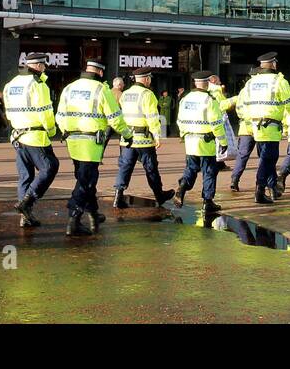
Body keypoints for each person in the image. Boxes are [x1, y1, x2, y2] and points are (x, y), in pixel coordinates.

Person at [56, 58, 132, 236]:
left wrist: (67, 132)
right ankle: (73, 219)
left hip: (73, 141)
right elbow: (114, 117)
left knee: (84, 177)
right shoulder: (101, 89)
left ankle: (93, 213)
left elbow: (59, 115)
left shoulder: (69, 88)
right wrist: (127, 134)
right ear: (100, 72)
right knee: (86, 181)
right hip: (91, 143)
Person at [234, 52, 290, 204]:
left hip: (254, 126)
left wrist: (248, 122)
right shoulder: (279, 81)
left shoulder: (251, 83)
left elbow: (241, 105)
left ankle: (272, 190)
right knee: (268, 159)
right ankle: (259, 191)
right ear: (273, 64)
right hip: (270, 128)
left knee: (267, 159)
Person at [4, 53, 61, 227]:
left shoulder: (11, 83)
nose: (44, 68)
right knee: (50, 167)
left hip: (17, 135)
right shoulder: (38, 84)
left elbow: (7, 110)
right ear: (38, 66)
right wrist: (51, 130)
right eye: (43, 65)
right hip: (35, 136)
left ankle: (25, 217)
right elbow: (45, 112)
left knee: (25, 176)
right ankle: (27, 202)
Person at [112, 68, 174, 208]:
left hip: (127, 139)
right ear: (146, 79)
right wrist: (157, 135)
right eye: (149, 78)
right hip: (143, 140)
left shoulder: (125, 94)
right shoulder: (148, 94)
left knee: (125, 167)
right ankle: (159, 195)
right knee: (151, 168)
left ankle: (118, 197)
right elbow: (152, 117)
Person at [174, 72, 227, 220]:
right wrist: (223, 142)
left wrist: (184, 135)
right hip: (206, 142)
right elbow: (216, 124)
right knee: (209, 171)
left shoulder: (185, 99)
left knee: (191, 168)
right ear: (207, 83)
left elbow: (179, 120)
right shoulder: (209, 99)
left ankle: (183, 186)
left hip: (190, 142)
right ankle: (208, 201)